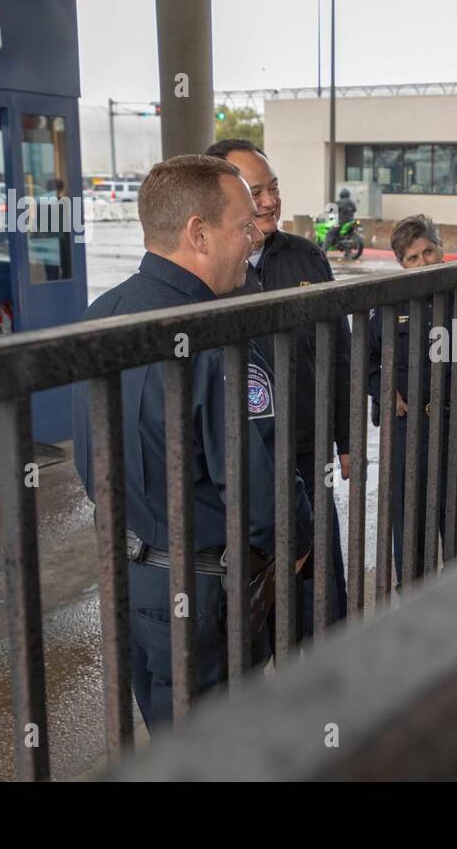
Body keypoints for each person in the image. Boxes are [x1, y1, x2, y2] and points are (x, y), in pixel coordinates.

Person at [70, 154, 313, 730]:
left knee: (172, 740)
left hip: (134, 577)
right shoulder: (215, 339)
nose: (254, 241)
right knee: (221, 750)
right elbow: (262, 489)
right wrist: (296, 541)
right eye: (244, 226)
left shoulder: (97, 318)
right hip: (206, 593)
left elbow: (90, 463)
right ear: (198, 234)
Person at [206, 138, 349, 629]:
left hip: (308, 453)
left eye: (274, 189)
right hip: (239, 462)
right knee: (253, 599)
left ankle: (328, 692)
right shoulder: (207, 277)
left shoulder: (307, 258)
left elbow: (339, 348)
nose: (268, 202)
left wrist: (348, 439)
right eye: (255, 192)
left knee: (320, 592)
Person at [367, 215, 457, 584]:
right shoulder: (388, 304)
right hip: (408, 430)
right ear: (401, 264)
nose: (424, 262)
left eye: (429, 251)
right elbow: (364, 357)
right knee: (410, 528)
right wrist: (383, 387)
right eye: (413, 257)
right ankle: (414, 604)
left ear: (441, 249)